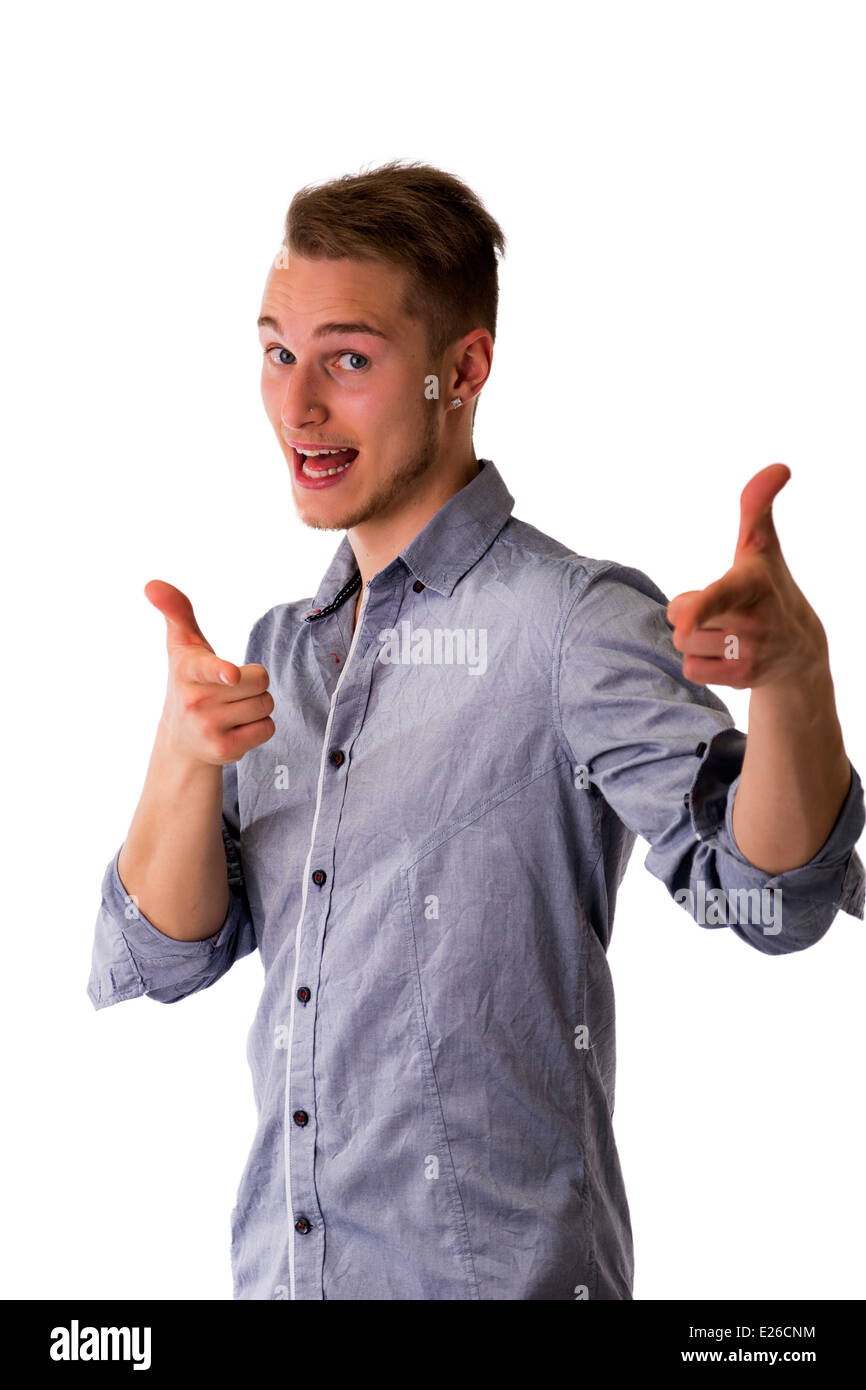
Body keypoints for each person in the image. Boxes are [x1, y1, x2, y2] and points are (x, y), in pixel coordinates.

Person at [87, 161, 865, 1301]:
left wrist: (795, 685)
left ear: (463, 371)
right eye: (275, 351)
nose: (296, 404)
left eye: (347, 359)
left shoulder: (569, 620)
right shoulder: (281, 649)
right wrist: (180, 755)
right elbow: (164, 955)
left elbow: (764, 895)